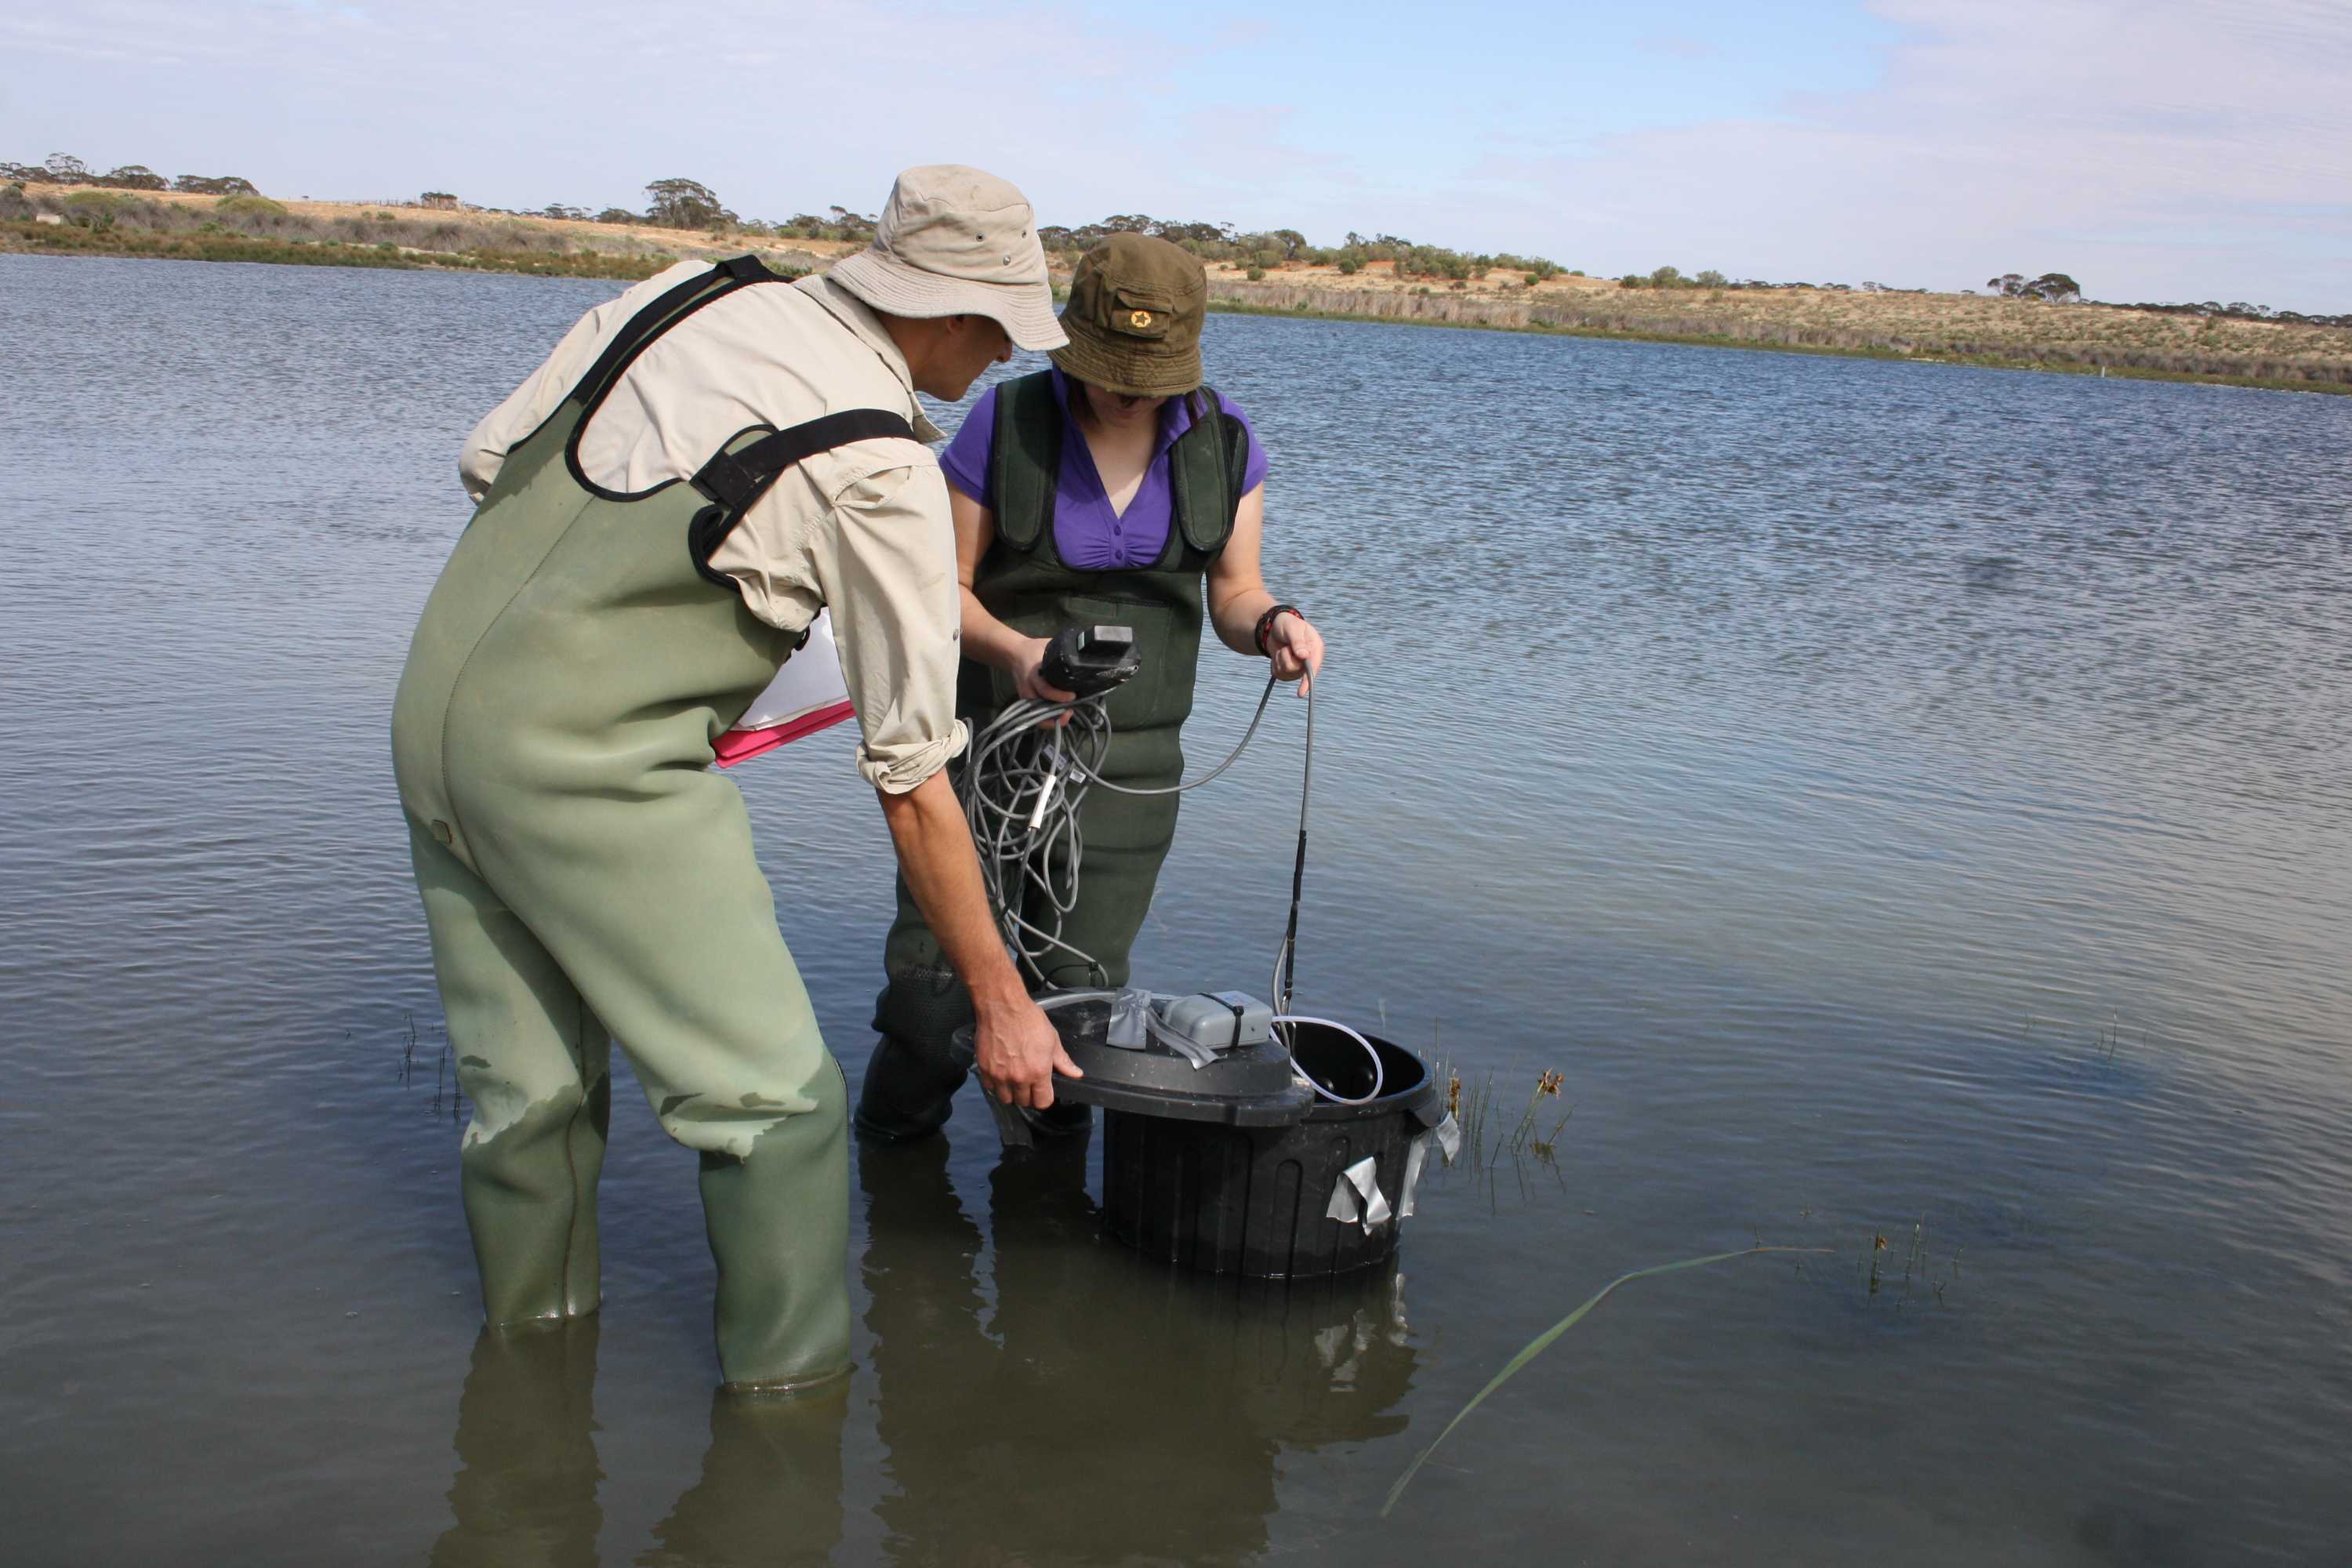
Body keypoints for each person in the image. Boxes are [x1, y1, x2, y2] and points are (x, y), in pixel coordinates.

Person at [390, 165, 1082, 1395]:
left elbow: (487, 460)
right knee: (780, 1114)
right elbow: (913, 780)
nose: (1004, 356)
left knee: (531, 1097)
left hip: (438, 710)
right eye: (1000, 327)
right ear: (945, 309)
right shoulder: (883, 464)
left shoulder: (691, 291)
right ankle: (787, 1420)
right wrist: (1000, 999)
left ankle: (527, 1394)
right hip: (592, 768)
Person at [859, 233, 1326, 1142]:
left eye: (1150, 376)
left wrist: (1275, 625)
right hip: (985, 750)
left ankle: (1044, 1199)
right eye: (1112, 369)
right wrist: (1016, 652)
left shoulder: (1226, 443)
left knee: (1080, 1007)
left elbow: (1235, 592)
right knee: (932, 994)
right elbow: (941, 592)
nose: (1128, 392)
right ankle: (893, 1186)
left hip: (1131, 776)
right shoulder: (1005, 423)